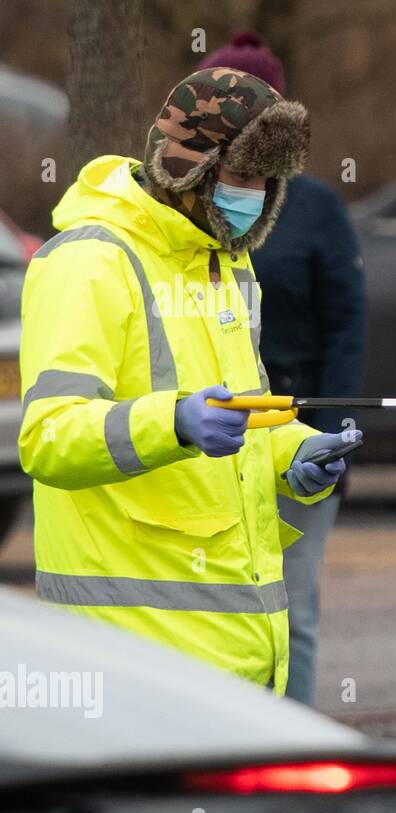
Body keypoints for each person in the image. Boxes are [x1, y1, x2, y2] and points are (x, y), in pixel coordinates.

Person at [19, 67, 359, 694]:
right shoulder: (89, 262)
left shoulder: (221, 264)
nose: (254, 194)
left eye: (266, 181)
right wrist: (172, 423)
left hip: (241, 664)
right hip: (135, 667)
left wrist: (294, 452)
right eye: (241, 176)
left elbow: (240, 413)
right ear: (187, 168)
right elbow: (47, 437)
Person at [197, 32, 367, 705]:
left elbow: (346, 323)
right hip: (205, 435)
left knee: (292, 606)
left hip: (294, 434)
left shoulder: (318, 209)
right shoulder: (187, 206)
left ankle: (291, 740)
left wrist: (332, 428)